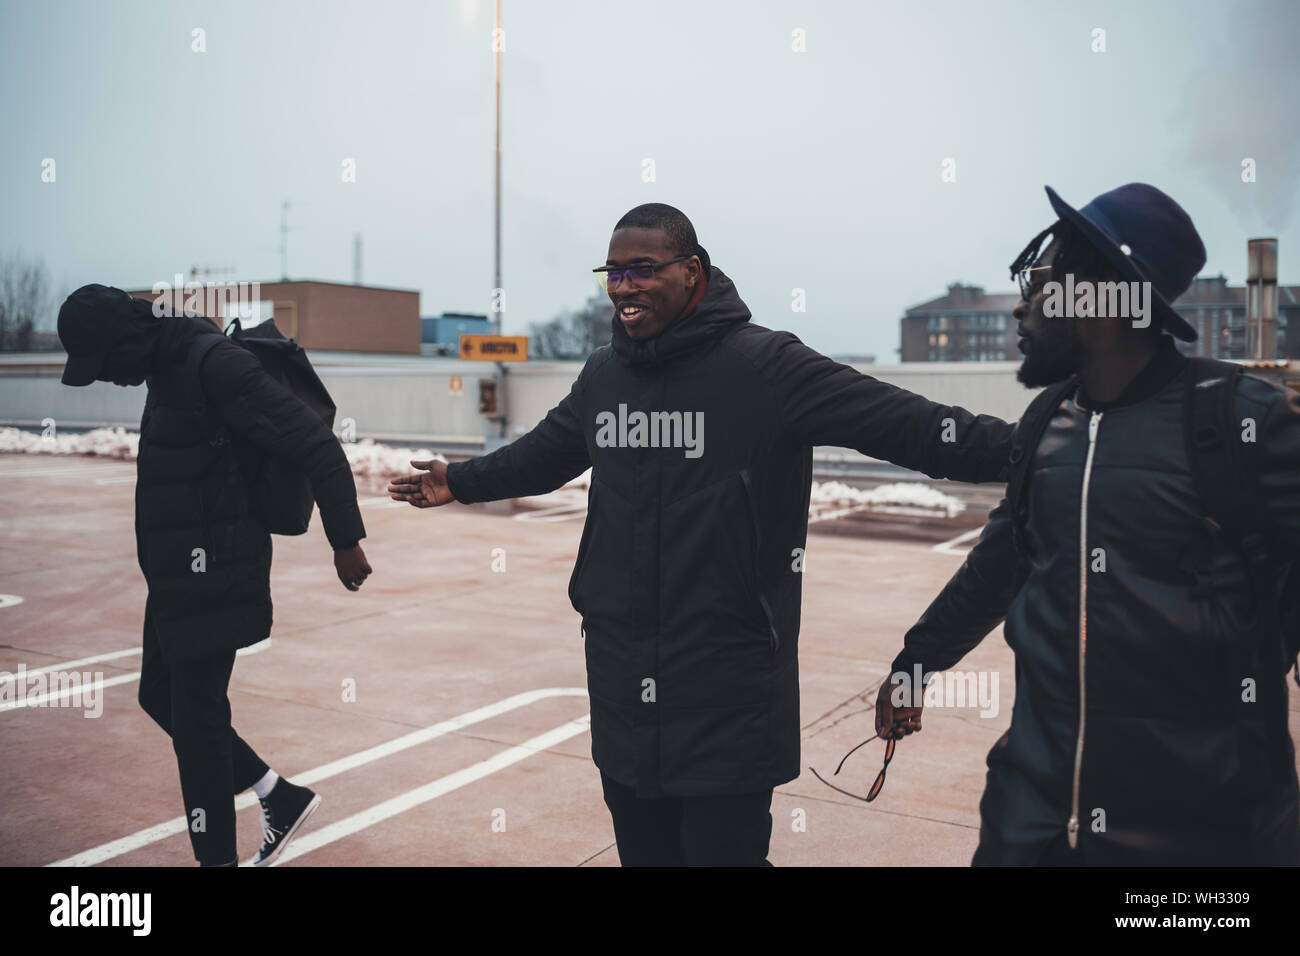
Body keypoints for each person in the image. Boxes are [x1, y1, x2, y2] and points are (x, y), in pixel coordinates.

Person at [388, 203, 1014, 866]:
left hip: (729, 689)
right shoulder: (606, 375)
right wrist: (459, 481)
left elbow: (912, 426)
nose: (624, 286)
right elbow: (543, 455)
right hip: (622, 680)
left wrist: (1040, 449)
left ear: (692, 271)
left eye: (643, 270)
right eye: (614, 273)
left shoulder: (765, 368)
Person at [877, 184, 1300, 866]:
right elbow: (998, 568)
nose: (1020, 303)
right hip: (1032, 825)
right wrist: (915, 665)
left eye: (1038, 283)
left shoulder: (1241, 424)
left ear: (1100, 296)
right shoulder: (1047, 424)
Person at [58, 284, 373, 867]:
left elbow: (318, 444)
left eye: (104, 365)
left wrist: (345, 540)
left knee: (199, 728)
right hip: (178, 577)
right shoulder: (162, 361)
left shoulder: (214, 364)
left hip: (219, 572)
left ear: (126, 340)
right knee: (160, 696)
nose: (106, 378)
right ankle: (279, 795)